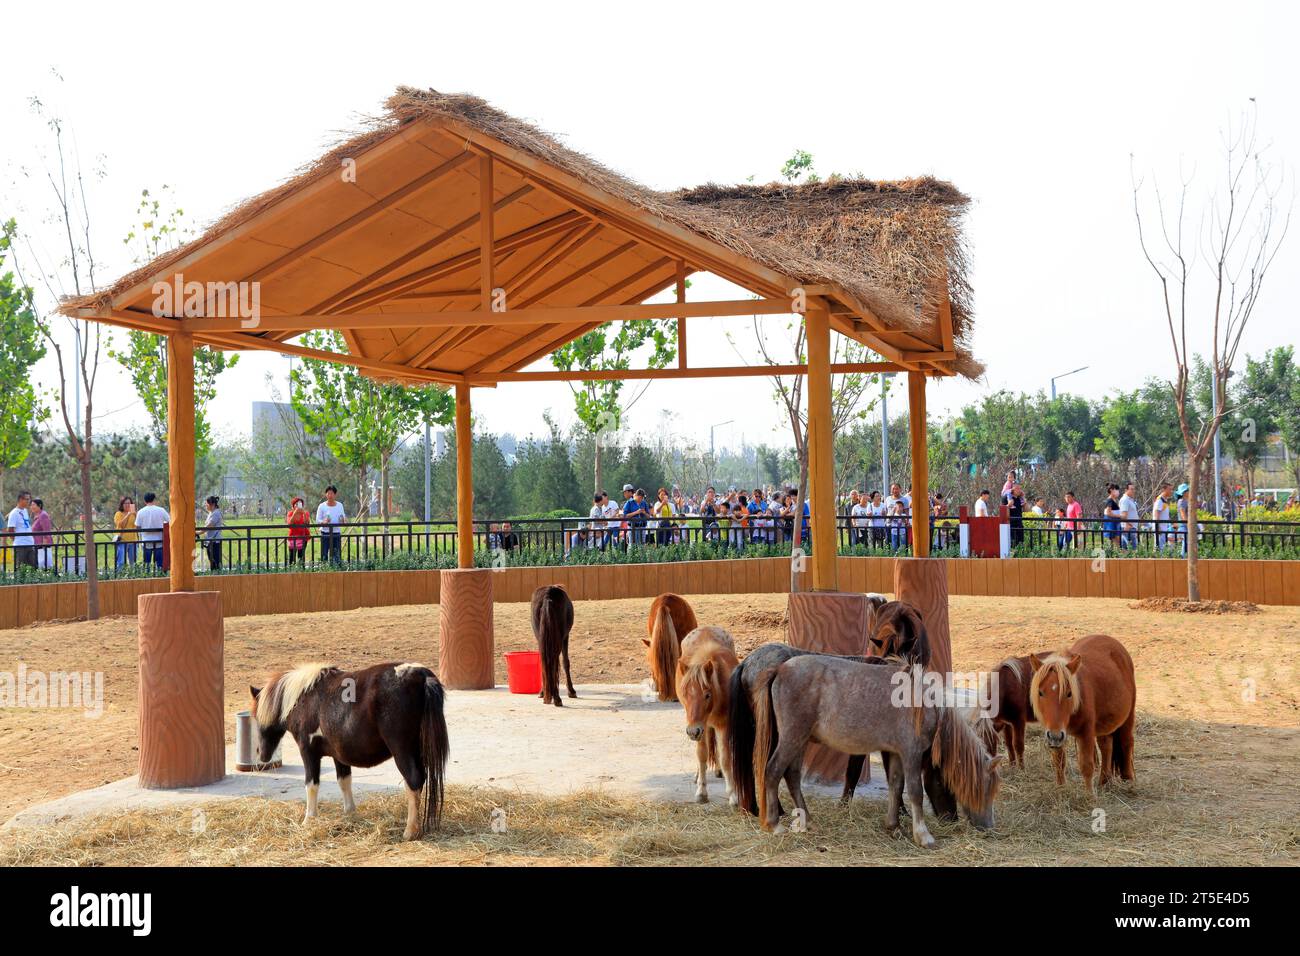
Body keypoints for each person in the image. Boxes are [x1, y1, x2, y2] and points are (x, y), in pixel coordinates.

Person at [135, 493, 170, 569]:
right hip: (159, 541)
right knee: (160, 564)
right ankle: (160, 577)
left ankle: (146, 578)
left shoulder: (141, 512)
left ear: (145, 501)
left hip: (146, 541)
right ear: (154, 500)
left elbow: (137, 526)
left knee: (146, 563)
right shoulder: (161, 510)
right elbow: (170, 521)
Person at [6, 491, 36, 573]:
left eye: (29, 499)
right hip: (20, 546)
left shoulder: (25, 511)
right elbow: (10, 530)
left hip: (30, 544)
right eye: (26, 499)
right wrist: (17, 540)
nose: (28, 501)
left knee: (33, 569)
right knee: (20, 570)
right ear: (20, 500)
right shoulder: (14, 513)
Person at [316, 485, 346, 565]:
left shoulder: (340, 505)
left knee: (337, 555)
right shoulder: (322, 506)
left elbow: (343, 518)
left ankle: (337, 569)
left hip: (336, 533)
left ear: (335, 495)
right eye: (328, 493)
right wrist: (324, 522)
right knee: (324, 554)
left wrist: (342, 520)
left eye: (332, 493)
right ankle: (324, 569)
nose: (330, 495)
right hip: (325, 533)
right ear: (326, 494)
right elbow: (318, 520)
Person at [286, 496, 311, 565]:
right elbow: (289, 523)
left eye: (300, 504)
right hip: (293, 537)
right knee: (292, 555)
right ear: (293, 506)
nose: (298, 506)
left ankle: (301, 570)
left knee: (301, 555)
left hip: (303, 536)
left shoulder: (305, 513)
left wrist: (303, 513)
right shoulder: (290, 513)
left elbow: (307, 523)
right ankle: (291, 570)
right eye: (296, 504)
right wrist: (295, 513)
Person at [114, 496, 138, 567]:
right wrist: (128, 515)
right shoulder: (118, 514)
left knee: (133, 561)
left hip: (133, 541)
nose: (127, 505)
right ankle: (119, 576)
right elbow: (121, 525)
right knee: (121, 561)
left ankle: (132, 576)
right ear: (122, 504)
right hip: (122, 541)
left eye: (129, 503)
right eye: (125, 503)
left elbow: (138, 525)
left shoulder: (133, 514)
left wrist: (136, 515)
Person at [30, 499, 53, 570]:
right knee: (40, 565)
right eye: (31, 505)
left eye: (33, 505)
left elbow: (46, 531)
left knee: (44, 565)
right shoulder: (36, 516)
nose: (31, 507)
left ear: (39, 505)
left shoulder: (43, 515)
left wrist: (44, 545)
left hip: (42, 546)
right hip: (37, 545)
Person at [202, 495, 224, 571]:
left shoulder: (216, 513)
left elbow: (209, 526)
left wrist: (198, 532)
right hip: (210, 541)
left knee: (215, 561)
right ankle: (214, 573)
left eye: (207, 504)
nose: (206, 506)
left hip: (215, 541)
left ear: (213, 505)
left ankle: (217, 574)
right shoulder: (211, 513)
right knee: (212, 560)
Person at [1151, 482, 1174, 551]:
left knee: (1161, 548)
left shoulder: (1164, 501)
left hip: (1163, 529)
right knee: (1158, 549)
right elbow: (1156, 514)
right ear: (1164, 490)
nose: (1171, 491)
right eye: (1170, 489)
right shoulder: (1160, 501)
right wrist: (1158, 527)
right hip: (1160, 530)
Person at [1119, 482, 1140, 550]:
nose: (1133, 491)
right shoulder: (1125, 500)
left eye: (1134, 489)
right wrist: (1127, 524)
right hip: (1128, 529)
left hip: (1131, 528)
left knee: (1132, 551)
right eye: (1131, 489)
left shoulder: (1130, 500)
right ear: (1126, 490)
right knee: (1129, 551)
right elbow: (1123, 514)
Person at [1003, 483, 1026, 547]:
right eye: (1017, 488)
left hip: (1019, 524)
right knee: (1013, 543)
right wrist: (1008, 505)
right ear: (1012, 489)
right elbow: (1003, 511)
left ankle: (1020, 555)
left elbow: (1027, 510)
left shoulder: (1020, 498)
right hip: (1011, 525)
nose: (1019, 490)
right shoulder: (1006, 498)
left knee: (1021, 543)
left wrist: (1025, 501)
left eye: (1020, 489)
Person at [1101, 484, 1123, 548]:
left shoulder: (1114, 500)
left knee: (1116, 541)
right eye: (1116, 490)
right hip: (1111, 524)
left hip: (1114, 523)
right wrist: (1119, 516)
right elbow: (1108, 512)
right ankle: (1119, 554)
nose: (1117, 492)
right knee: (1115, 541)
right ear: (1111, 490)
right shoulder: (1110, 500)